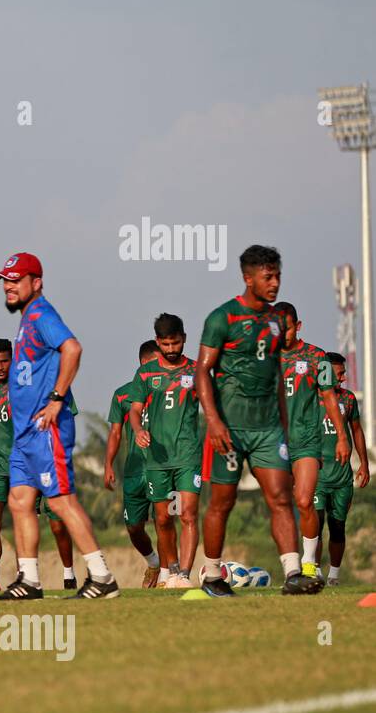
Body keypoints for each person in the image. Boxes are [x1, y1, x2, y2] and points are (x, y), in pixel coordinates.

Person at [0, 252, 119, 600]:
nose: (9, 286)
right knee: (18, 501)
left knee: (62, 502)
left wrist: (57, 397)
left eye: (17, 279)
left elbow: (72, 349)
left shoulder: (42, 314)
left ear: (37, 282)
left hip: (46, 430)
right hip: (24, 434)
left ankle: (102, 576)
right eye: (6, 280)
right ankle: (29, 580)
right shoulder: (28, 317)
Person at [195, 245, 317, 596]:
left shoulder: (278, 319)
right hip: (229, 429)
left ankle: (293, 573)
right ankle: (213, 575)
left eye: (278, 275)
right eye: (268, 277)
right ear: (248, 278)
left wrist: (284, 423)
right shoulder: (223, 318)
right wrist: (214, 422)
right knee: (223, 501)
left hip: (267, 430)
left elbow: (277, 372)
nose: (275, 283)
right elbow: (203, 372)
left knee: (280, 497)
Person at [0, 339, 78, 591]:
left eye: (5, 361)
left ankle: (68, 573)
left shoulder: (33, 383)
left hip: (34, 464)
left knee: (55, 523)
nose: (0, 367)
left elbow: (63, 417)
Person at [275, 302, 348, 577]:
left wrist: (342, 438)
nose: (283, 333)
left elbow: (329, 397)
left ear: (298, 326)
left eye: (288, 327)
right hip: (274, 443)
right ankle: (290, 564)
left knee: (305, 501)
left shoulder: (317, 357)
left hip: (306, 440)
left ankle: (308, 564)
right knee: (282, 506)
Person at [130, 315, 202, 588]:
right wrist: (138, 431)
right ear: (158, 342)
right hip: (157, 459)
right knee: (162, 517)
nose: (172, 349)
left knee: (188, 515)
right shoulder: (146, 374)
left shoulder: (195, 372)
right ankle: (170, 571)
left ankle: (184, 574)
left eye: (176, 343)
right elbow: (136, 410)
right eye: (166, 344)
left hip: (187, 455)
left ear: (184, 338)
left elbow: (212, 401)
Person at [104, 340, 162, 587]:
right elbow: (116, 433)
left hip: (162, 466)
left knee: (164, 520)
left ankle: (169, 574)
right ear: (141, 365)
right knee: (133, 527)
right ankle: (153, 562)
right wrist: (108, 465)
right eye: (152, 364)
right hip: (134, 470)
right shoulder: (123, 394)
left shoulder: (166, 388)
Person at [313, 353, 369, 585]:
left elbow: (356, 430)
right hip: (315, 475)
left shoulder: (348, 399)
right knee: (313, 525)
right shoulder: (308, 399)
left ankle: (333, 577)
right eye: (340, 374)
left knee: (337, 527)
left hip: (342, 476)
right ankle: (312, 570)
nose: (344, 379)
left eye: (344, 373)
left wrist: (364, 463)